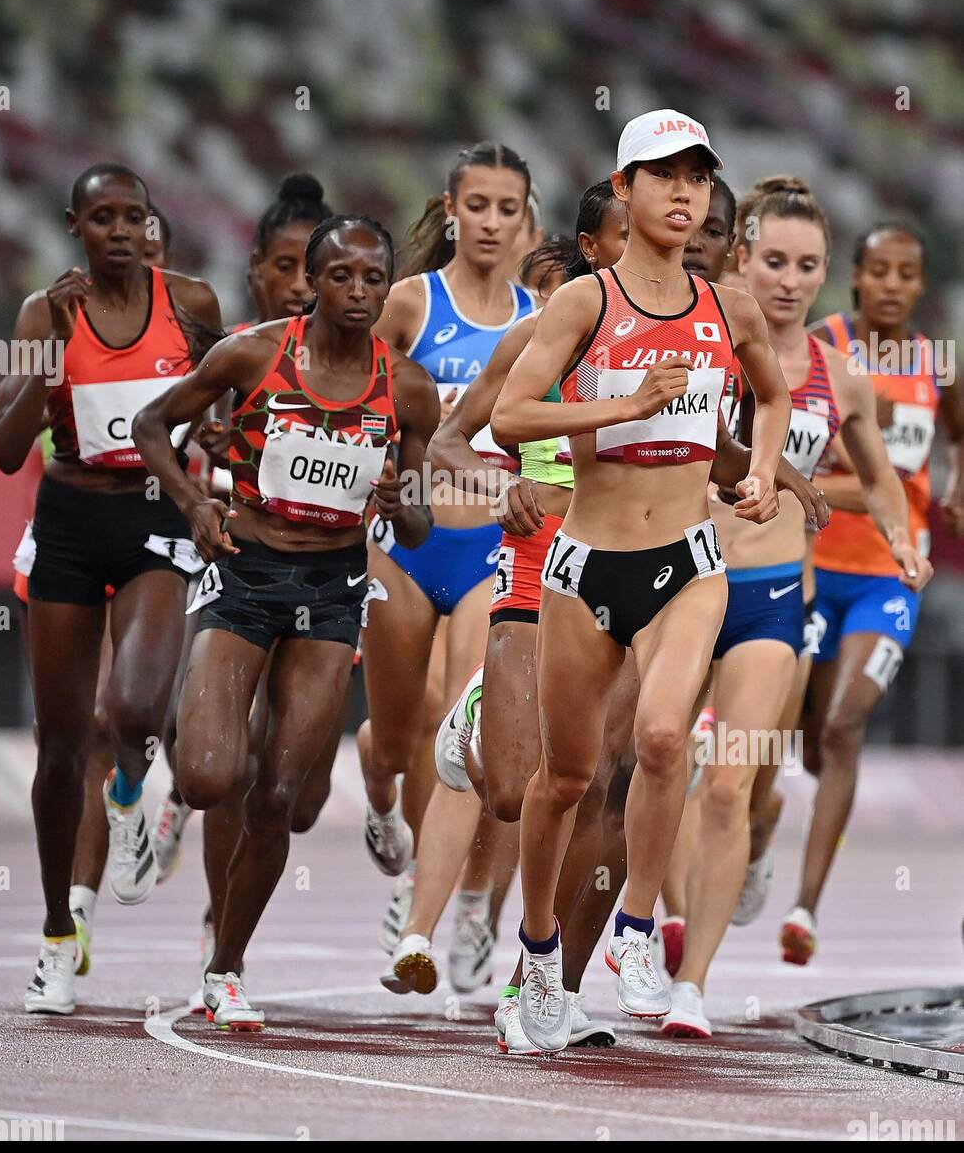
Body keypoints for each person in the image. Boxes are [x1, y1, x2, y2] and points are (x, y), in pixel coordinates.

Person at [491, 109, 792, 1052]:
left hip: (687, 562)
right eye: (661, 176)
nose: (682, 193)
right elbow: (508, 417)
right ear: (622, 191)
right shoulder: (584, 302)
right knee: (566, 778)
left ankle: (632, 928)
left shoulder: (728, 307)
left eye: (697, 178)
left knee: (664, 738)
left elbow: (773, 395)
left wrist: (756, 471)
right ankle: (538, 955)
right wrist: (628, 402)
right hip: (585, 565)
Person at [133, 215, 438, 1030]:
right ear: (312, 278)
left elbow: (416, 528)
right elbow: (150, 425)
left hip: (334, 590)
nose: (359, 292)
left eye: (374, 279)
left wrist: (398, 501)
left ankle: (225, 967)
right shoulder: (252, 354)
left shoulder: (407, 388)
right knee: (207, 777)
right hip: (244, 572)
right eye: (341, 276)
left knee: (281, 795)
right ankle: (175, 784)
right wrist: (197, 501)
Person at [665, 177, 931, 1037]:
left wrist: (902, 540)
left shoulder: (840, 378)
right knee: (660, 759)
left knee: (737, 785)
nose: (787, 280)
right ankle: (653, 921)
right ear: (740, 255)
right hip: (683, 576)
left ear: (824, 276)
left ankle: (694, 977)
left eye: (806, 266)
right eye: (772, 260)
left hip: (780, 595)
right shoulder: (704, 342)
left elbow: (886, 483)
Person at [0, 165, 221, 1015]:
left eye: (135, 216)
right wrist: (48, 345)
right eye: (102, 218)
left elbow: (222, 413)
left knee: (129, 711)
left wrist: (219, 468)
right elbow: (12, 444)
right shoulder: (40, 314)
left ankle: (128, 793)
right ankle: (56, 934)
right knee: (58, 747)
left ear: (153, 224)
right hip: (70, 522)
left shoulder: (191, 302)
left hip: (157, 516)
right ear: (74, 227)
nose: (121, 231)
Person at [361, 142, 535, 990]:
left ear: (525, 217)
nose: (492, 223)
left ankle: (461, 902)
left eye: (507, 208)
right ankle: (386, 808)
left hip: (490, 551)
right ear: (452, 210)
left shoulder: (542, 314)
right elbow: (349, 385)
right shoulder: (407, 304)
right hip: (405, 542)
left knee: (465, 732)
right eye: (479, 206)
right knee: (398, 731)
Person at [782, 220, 955, 963]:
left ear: (918, 285)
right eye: (877, 270)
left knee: (842, 728)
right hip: (806, 568)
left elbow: (955, 435)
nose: (890, 284)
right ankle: (754, 845)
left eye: (904, 273)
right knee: (804, 739)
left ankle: (804, 909)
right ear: (854, 275)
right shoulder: (818, 346)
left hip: (890, 574)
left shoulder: (934, 363)